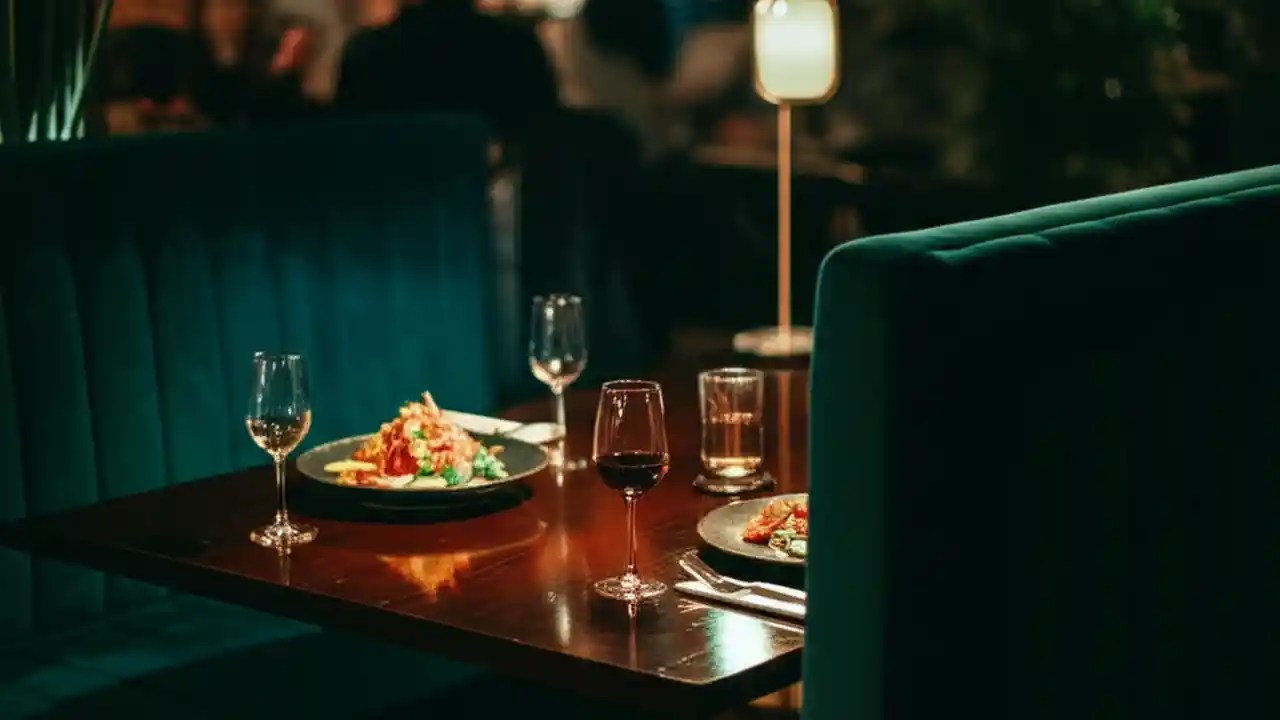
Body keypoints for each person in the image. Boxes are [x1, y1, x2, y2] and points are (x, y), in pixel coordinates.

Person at [334, 0, 558, 162]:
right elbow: (545, 142)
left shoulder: (368, 54)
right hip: (497, 213)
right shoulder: (517, 47)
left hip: (389, 214)